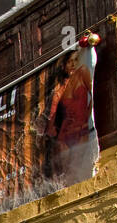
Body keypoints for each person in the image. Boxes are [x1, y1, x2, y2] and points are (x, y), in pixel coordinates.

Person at [44, 51, 95, 181]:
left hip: (81, 129)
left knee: (80, 173)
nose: (73, 64)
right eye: (69, 61)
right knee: (67, 175)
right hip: (64, 135)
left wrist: (88, 113)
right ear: (64, 65)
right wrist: (51, 130)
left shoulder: (82, 72)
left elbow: (93, 92)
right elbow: (52, 116)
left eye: (75, 60)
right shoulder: (58, 89)